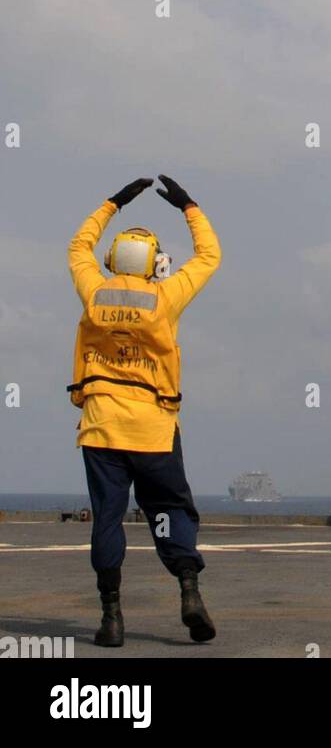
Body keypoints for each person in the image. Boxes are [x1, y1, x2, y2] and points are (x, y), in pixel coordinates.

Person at [68, 174, 221, 647]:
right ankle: (189, 590)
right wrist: (189, 207)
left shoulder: (95, 291)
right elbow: (209, 256)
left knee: (108, 518)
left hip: (101, 430)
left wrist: (113, 202)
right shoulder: (165, 297)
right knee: (169, 509)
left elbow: (79, 246)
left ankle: (111, 618)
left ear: (112, 260)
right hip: (154, 430)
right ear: (156, 263)